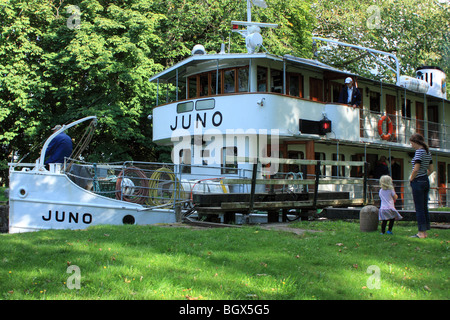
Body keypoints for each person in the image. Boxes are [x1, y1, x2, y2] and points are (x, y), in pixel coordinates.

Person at [409, 133, 434, 239]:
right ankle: (425, 231)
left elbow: (416, 168)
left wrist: (411, 178)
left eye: (411, 143)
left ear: (415, 142)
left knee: (419, 208)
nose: (411, 146)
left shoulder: (419, 152)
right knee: (424, 207)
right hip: (425, 180)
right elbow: (431, 169)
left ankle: (421, 233)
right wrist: (424, 176)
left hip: (418, 181)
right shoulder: (428, 152)